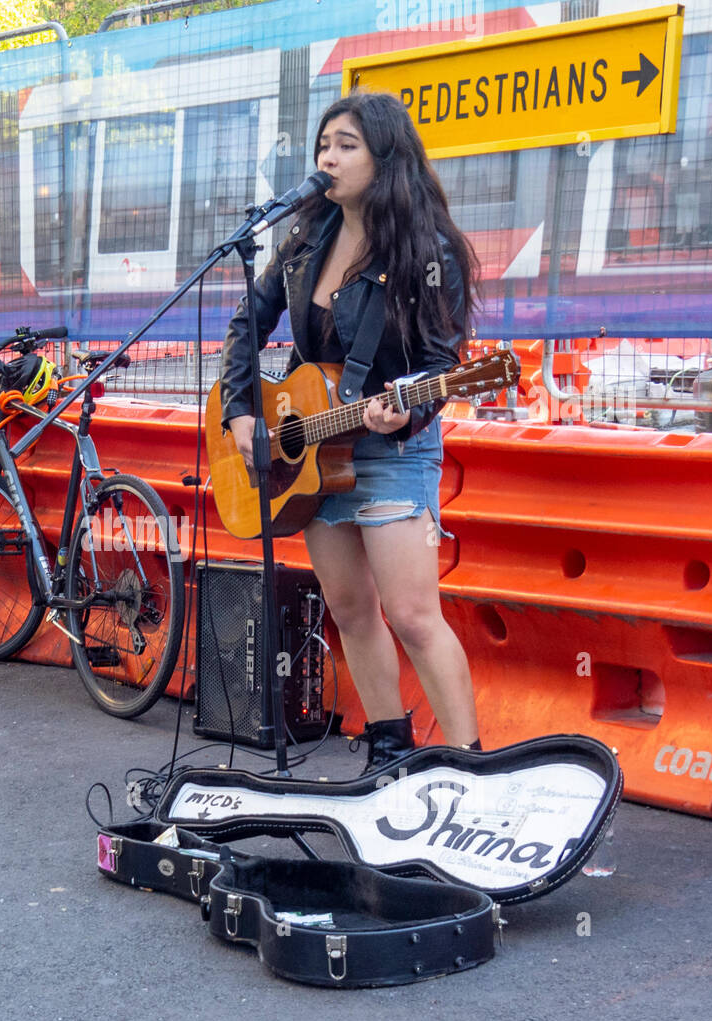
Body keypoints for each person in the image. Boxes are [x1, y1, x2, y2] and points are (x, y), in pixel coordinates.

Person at [218, 91, 481, 771]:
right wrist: (241, 411)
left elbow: (441, 363)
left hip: (391, 448)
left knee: (413, 614)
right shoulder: (308, 235)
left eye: (347, 145)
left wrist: (407, 408)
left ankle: (471, 767)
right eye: (323, 145)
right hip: (314, 450)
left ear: (386, 155)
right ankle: (388, 751)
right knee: (348, 606)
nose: (328, 158)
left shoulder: (430, 249)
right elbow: (251, 319)